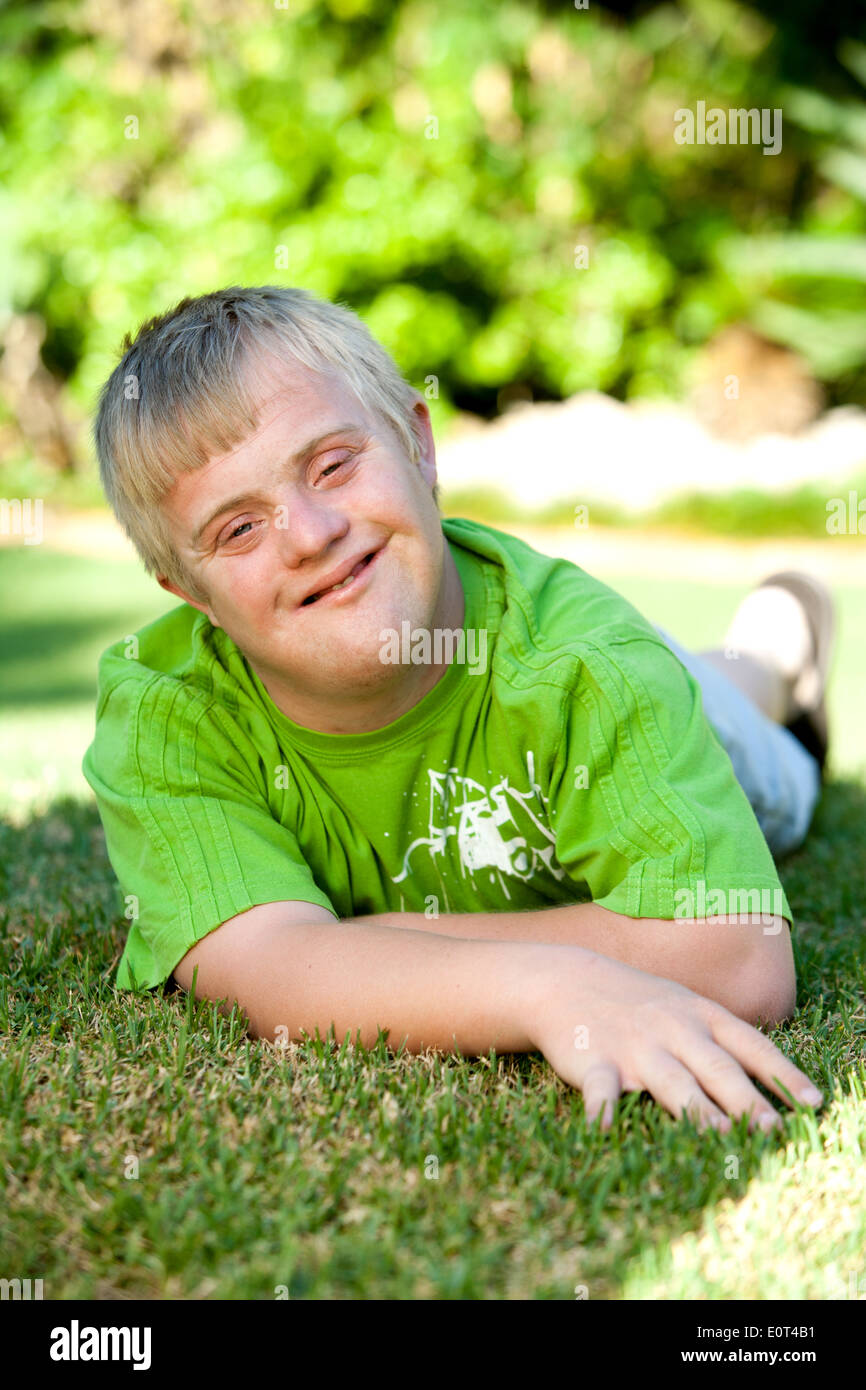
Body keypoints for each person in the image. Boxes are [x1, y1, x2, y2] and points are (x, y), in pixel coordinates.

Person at [83, 285, 832, 1135]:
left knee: (747, 727)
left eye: (331, 464)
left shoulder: (586, 665)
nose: (310, 533)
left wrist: (358, 947)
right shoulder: (168, 710)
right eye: (239, 530)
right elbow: (262, 970)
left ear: (419, 444)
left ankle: (777, 648)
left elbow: (738, 958)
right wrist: (540, 986)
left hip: (680, 709)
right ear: (188, 593)